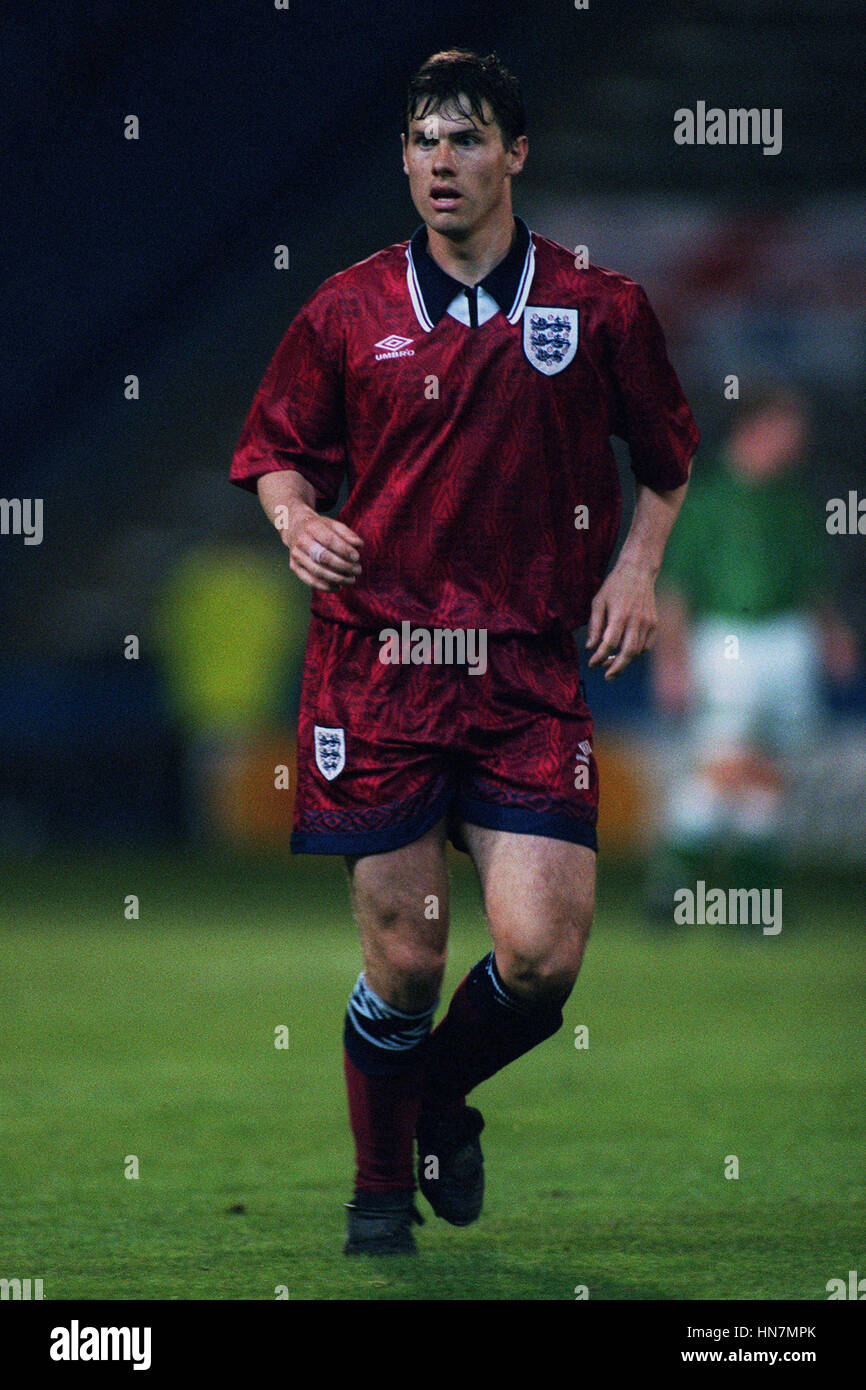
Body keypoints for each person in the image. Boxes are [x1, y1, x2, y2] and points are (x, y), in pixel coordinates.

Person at [230, 49, 699, 1255]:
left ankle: (430, 1100)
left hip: (525, 668)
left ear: (514, 156)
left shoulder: (598, 309)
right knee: (408, 960)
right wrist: (295, 520)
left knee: (540, 957)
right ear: (403, 159)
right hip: (377, 668)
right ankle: (379, 1198)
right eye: (424, 140)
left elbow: (664, 454)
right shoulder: (345, 309)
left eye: (467, 138)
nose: (442, 161)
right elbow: (276, 450)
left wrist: (637, 565)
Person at [650, 386, 858, 910]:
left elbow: (813, 580)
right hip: (728, 641)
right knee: (724, 759)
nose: (798, 442)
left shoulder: (791, 499)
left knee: (772, 766)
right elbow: (676, 586)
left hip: (789, 641)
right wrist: (670, 660)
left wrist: (833, 634)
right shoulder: (710, 497)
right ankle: (677, 881)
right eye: (788, 429)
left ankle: (750, 894)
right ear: (757, 427)